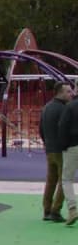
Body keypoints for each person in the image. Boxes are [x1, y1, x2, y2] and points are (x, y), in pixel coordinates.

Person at [40, 82, 72, 222]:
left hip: (50, 148)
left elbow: (41, 128)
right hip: (61, 149)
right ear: (61, 92)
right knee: (64, 180)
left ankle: (47, 209)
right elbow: (66, 130)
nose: (71, 94)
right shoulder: (64, 109)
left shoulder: (46, 107)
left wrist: (46, 142)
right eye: (68, 91)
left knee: (51, 180)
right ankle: (56, 210)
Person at [58, 89, 78, 226]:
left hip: (72, 145)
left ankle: (72, 208)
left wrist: (63, 145)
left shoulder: (70, 106)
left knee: (67, 179)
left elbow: (62, 127)